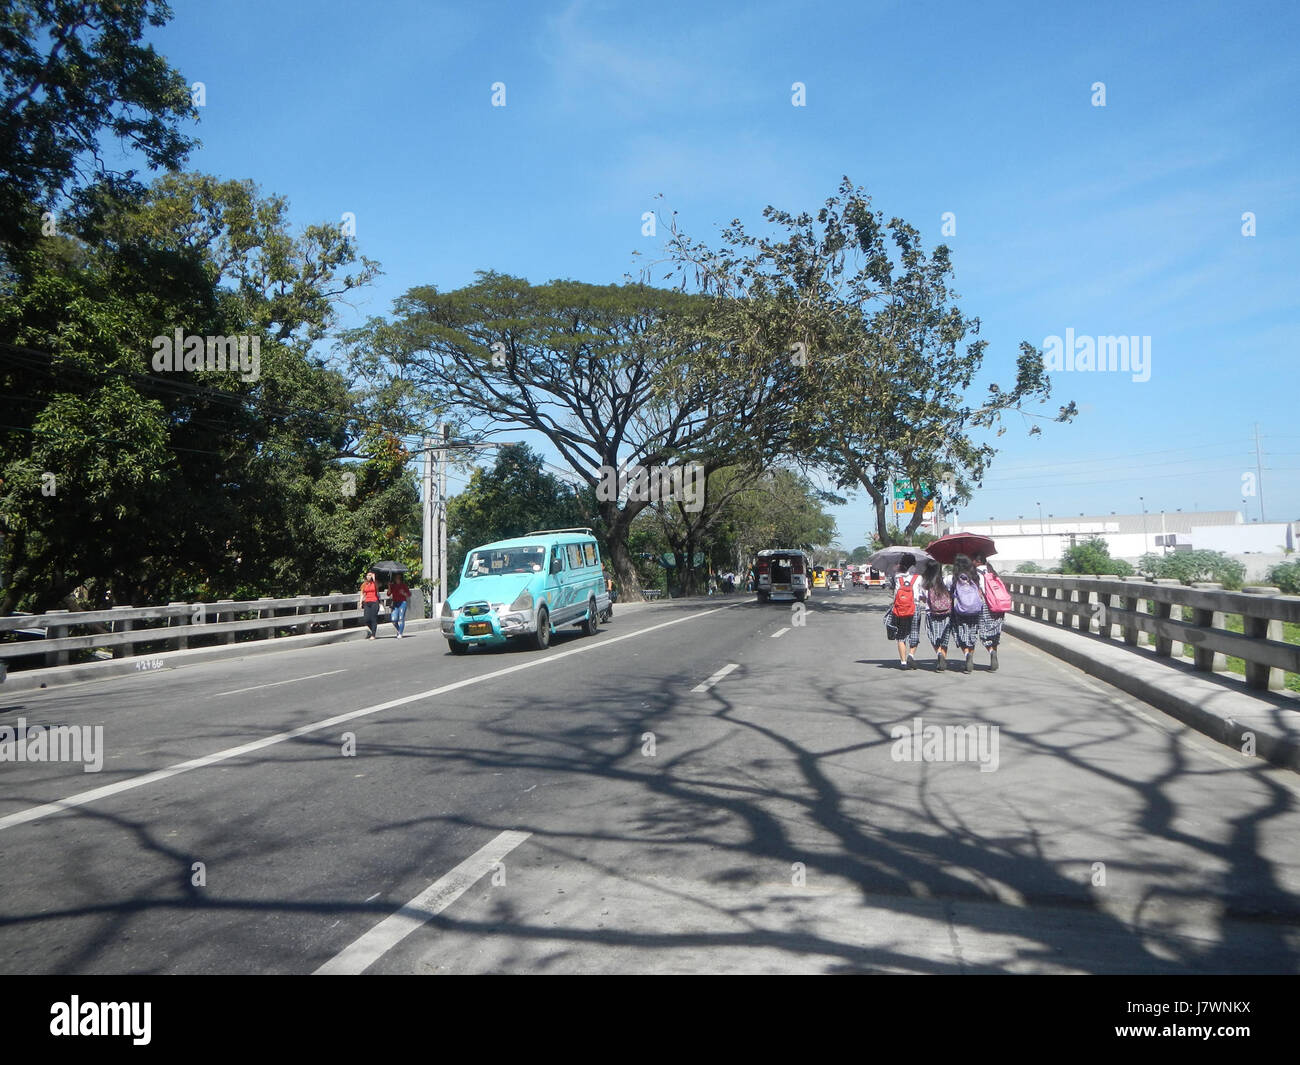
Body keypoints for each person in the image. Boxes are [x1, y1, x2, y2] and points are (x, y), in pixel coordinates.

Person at [883, 554, 924, 669]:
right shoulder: (918, 577)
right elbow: (921, 593)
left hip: (900, 608)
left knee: (901, 635)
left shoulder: (897, 577)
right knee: (914, 632)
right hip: (914, 607)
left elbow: (895, 594)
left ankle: (903, 662)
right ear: (914, 564)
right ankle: (911, 655)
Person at [949, 554, 984, 673]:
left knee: (961, 632)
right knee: (972, 632)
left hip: (960, 610)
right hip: (974, 609)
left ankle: (966, 654)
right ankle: (971, 656)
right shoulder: (975, 576)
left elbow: (951, 594)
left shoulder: (955, 578)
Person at [972, 553, 1006, 671]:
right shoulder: (992, 570)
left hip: (986, 604)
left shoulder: (975, 573)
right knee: (995, 631)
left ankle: (991, 651)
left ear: (976, 561)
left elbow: (977, 590)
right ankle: (994, 651)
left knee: (984, 632)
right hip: (998, 604)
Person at [921, 560, 952, 670]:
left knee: (933, 635)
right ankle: (943, 657)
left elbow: (924, 599)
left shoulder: (925, 583)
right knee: (944, 636)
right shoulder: (945, 581)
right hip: (947, 612)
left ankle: (939, 654)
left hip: (931, 612)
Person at [358, 570, 381, 639]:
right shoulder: (364, 584)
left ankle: (373, 634)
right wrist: (360, 602)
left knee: (373, 618)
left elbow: (377, 588)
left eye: (370, 575)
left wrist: (374, 579)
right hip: (367, 602)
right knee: (366, 619)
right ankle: (373, 630)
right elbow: (362, 593)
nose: (368, 576)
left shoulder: (375, 583)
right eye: (368, 575)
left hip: (374, 601)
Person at [388, 573, 410, 638]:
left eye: (399, 578)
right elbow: (388, 594)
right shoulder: (393, 585)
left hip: (402, 602)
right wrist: (389, 586)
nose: (397, 579)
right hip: (395, 603)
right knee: (393, 619)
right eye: (396, 578)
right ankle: (398, 629)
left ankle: (400, 633)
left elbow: (409, 594)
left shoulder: (403, 585)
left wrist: (403, 593)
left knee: (401, 618)